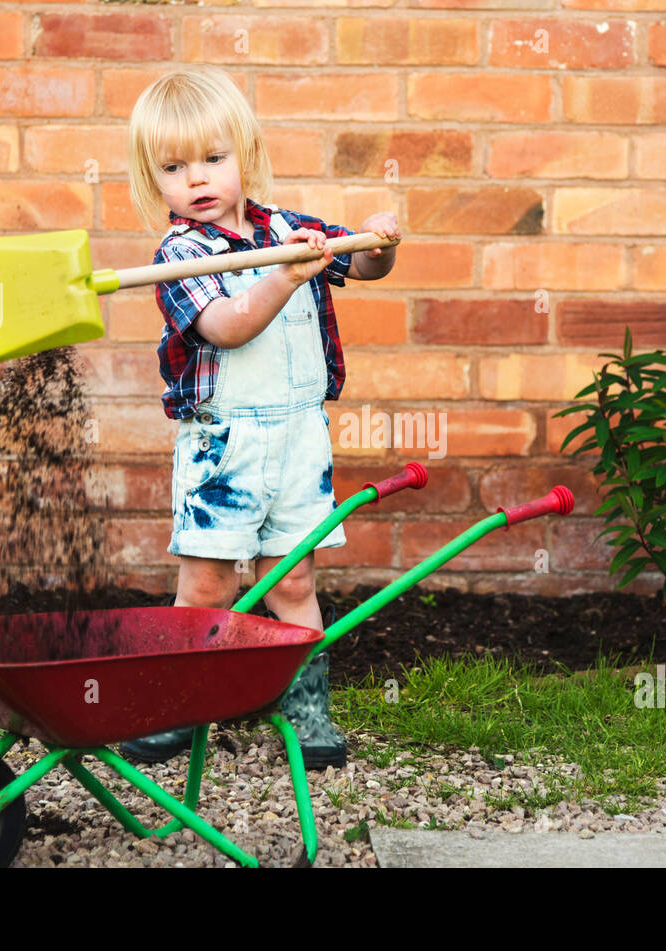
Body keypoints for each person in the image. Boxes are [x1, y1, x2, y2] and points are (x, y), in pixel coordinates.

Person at [119, 65, 399, 768]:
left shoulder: (290, 229)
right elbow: (229, 325)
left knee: (293, 577)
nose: (199, 178)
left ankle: (305, 709)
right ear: (154, 181)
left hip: (301, 437)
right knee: (208, 583)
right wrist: (282, 276)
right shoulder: (180, 255)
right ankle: (175, 704)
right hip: (226, 446)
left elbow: (362, 268)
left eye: (214, 158)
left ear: (246, 152)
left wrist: (378, 243)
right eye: (175, 167)